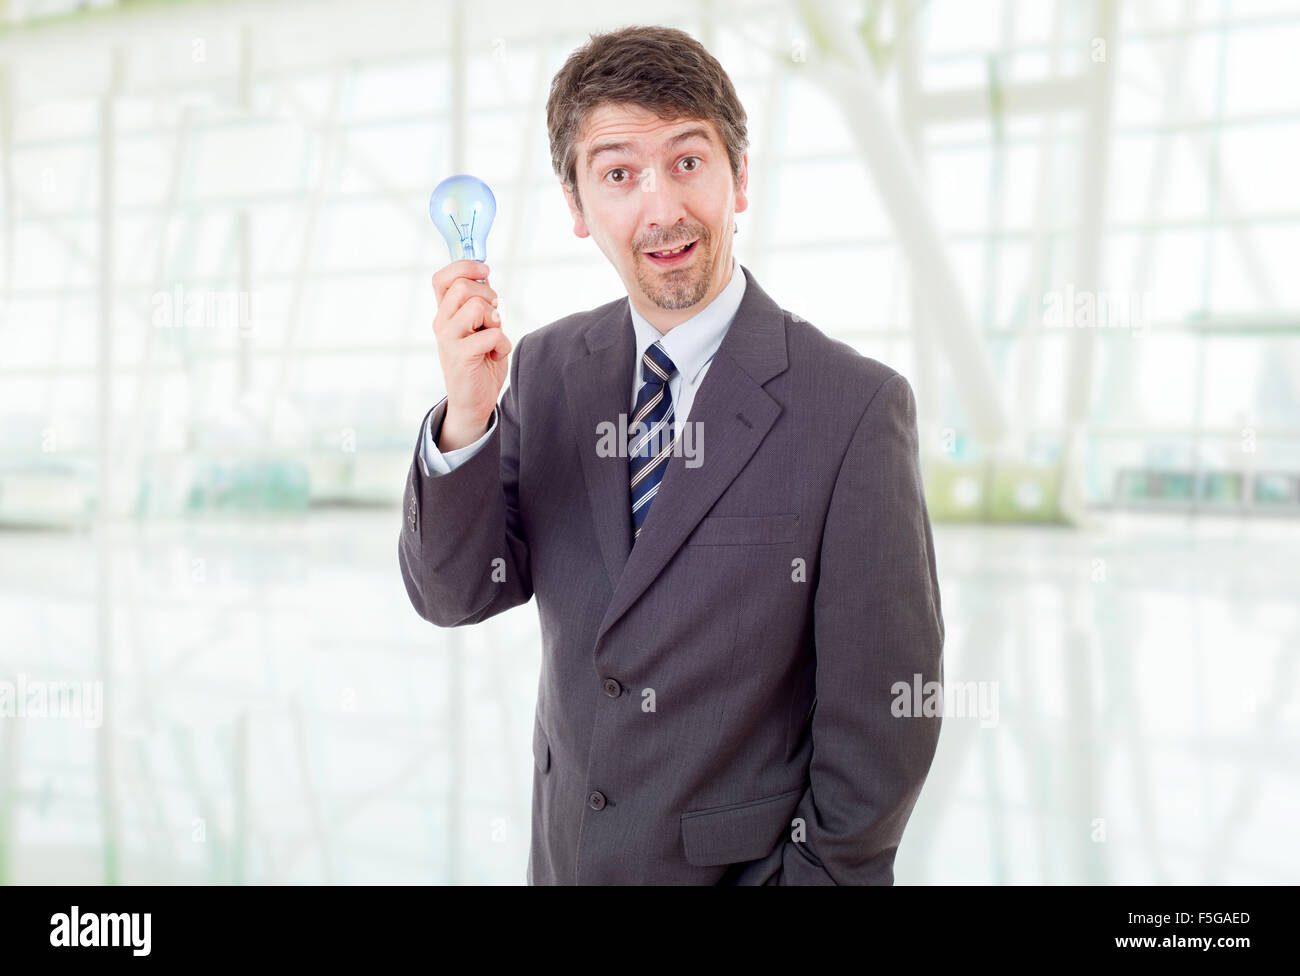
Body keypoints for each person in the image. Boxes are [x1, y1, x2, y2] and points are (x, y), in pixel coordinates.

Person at [398, 24, 944, 884]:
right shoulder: (542, 371)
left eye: (688, 162)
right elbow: (456, 595)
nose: (660, 210)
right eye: (618, 174)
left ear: (740, 179)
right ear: (578, 208)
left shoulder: (855, 409)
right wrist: (467, 420)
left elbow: (883, 727)